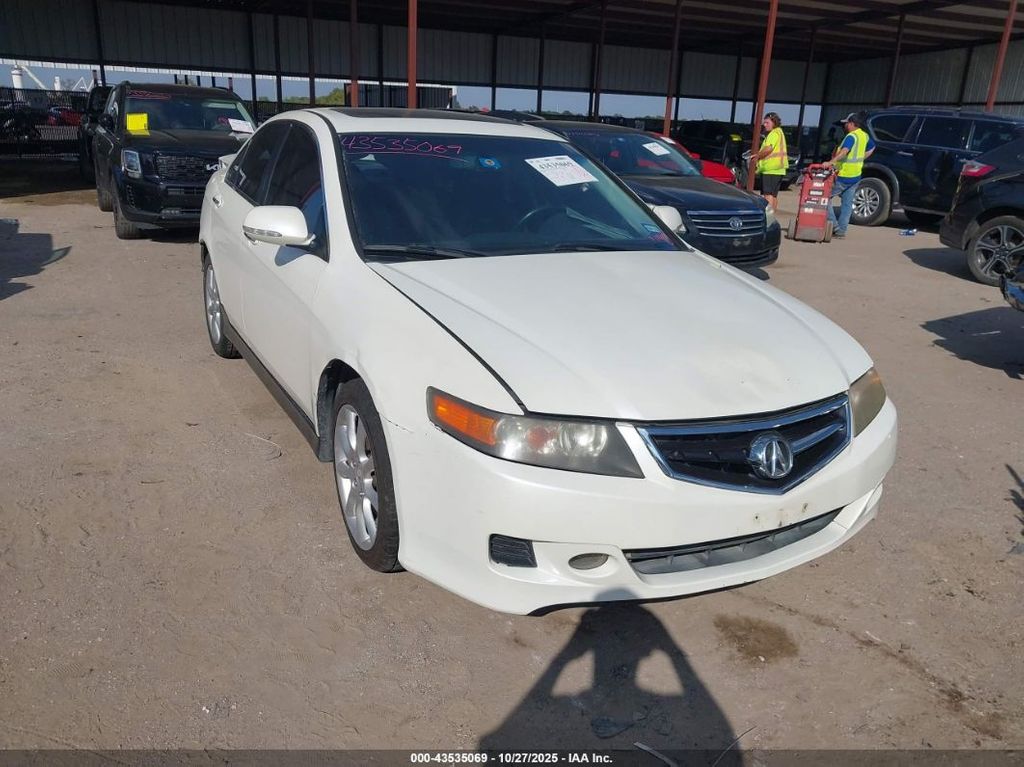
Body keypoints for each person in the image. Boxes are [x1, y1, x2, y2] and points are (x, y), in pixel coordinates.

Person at [823, 112, 876, 238]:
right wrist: (861, 158)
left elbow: (844, 152)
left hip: (844, 175)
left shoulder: (851, 137)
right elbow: (872, 148)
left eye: (846, 123)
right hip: (856, 175)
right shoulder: (864, 136)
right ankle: (841, 231)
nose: (845, 126)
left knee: (824, 199)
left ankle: (834, 225)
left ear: (852, 123)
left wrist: (830, 162)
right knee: (847, 204)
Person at [753, 112, 787, 211]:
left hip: (771, 169)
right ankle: (772, 218)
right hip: (778, 169)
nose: (764, 125)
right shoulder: (779, 132)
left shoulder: (774, 133)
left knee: (767, 195)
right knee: (773, 195)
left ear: (774, 122)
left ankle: (768, 218)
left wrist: (757, 156)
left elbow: (769, 148)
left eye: (767, 122)